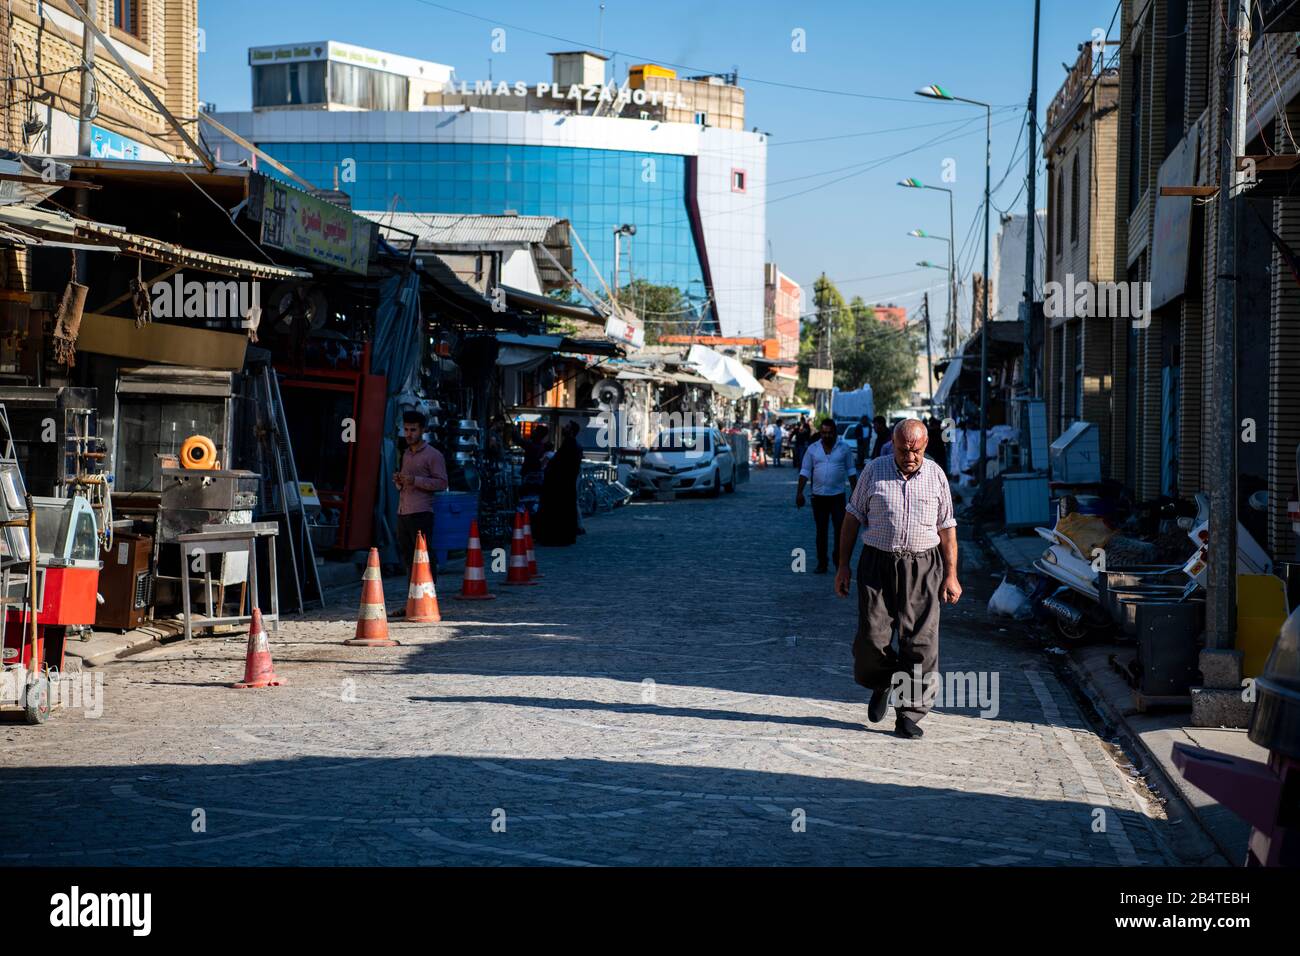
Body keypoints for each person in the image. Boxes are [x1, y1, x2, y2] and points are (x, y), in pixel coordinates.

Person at [835, 419, 961, 740]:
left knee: (920, 644)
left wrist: (952, 575)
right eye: (904, 449)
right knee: (870, 640)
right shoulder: (873, 471)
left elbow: (947, 528)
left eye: (916, 450)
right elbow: (852, 518)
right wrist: (842, 566)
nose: (910, 456)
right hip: (877, 563)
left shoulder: (936, 476)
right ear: (892, 444)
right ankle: (882, 681)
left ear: (926, 445)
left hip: (922, 566)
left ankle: (909, 714)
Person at [393, 410, 449, 583]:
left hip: (421, 512)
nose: (408, 434)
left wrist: (415, 480)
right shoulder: (406, 454)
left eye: (413, 430)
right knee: (408, 557)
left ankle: (428, 594)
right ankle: (413, 596)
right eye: (406, 429)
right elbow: (403, 484)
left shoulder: (433, 455)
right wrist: (399, 481)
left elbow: (441, 483)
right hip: (403, 511)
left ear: (422, 430)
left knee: (424, 555)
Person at [796, 417, 855, 574]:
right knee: (821, 531)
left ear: (835, 433)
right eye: (824, 433)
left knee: (839, 531)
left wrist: (856, 495)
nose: (827, 436)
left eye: (830, 433)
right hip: (819, 497)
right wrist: (799, 493)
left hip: (837, 496)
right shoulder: (813, 449)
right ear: (820, 433)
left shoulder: (844, 449)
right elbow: (805, 471)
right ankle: (822, 563)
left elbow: (851, 472)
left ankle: (839, 562)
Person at [535, 421, 582, 546]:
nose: (563, 428)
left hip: (561, 485)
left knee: (559, 513)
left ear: (571, 431)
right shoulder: (573, 445)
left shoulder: (569, 444)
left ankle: (557, 537)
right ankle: (564, 536)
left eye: (566, 427)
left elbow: (560, 464)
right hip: (566, 485)